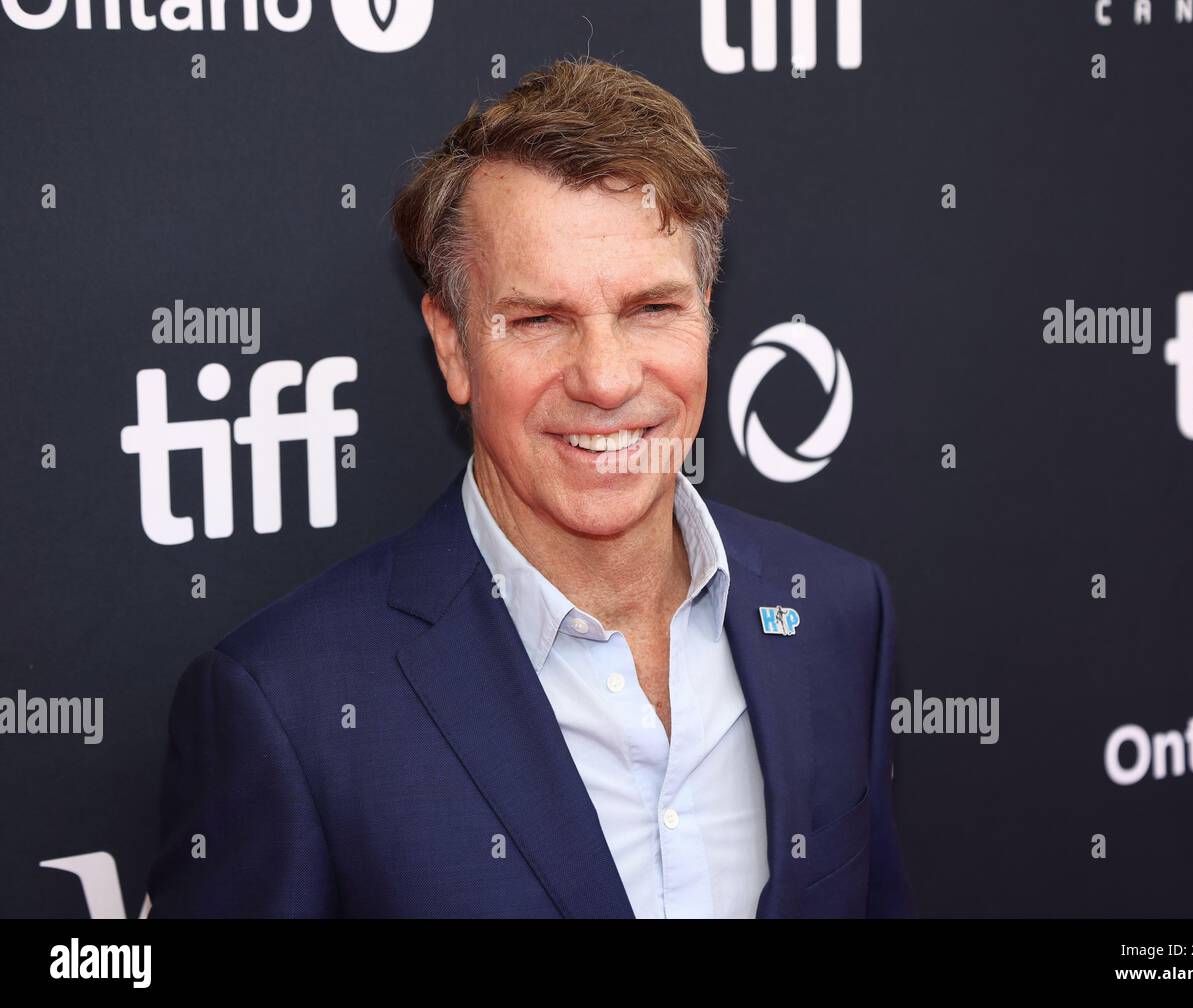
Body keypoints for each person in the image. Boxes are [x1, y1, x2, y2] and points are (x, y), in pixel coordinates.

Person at [146, 56, 912, 918]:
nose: (606, 379)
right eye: (541, 320)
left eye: (651, 309)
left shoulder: (838, 614)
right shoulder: (287, 708)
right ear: (452, 345)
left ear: (706, 311)